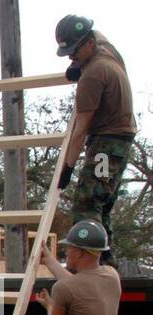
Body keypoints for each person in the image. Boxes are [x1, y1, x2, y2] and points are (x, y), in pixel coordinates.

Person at [54, 14, 136, 266]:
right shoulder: (104, 46)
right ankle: (106, 259)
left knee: (87, 200)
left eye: (74, 51)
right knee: (103, 201)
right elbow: (97, 34)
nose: (71, 57)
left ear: (88, 43)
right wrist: (77, 65)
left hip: (106, 146)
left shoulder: (93, 76)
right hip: (121, 140)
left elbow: (80, 130)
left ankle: (90, 264)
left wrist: (66, 167)